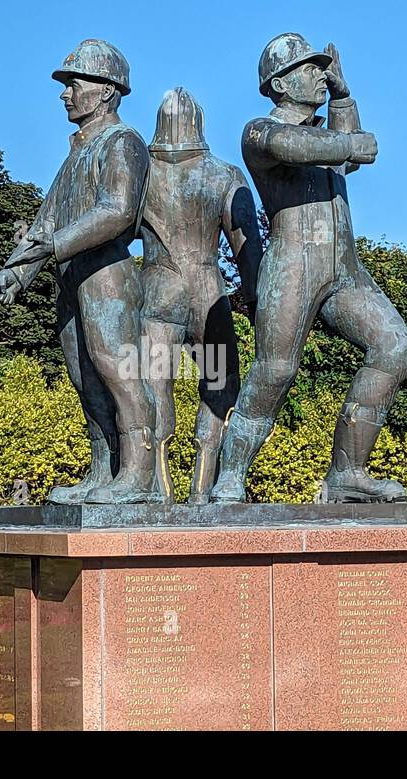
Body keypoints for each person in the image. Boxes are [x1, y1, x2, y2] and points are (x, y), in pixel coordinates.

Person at [210, 33, 407, 503]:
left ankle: (347, 473)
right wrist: (350, 142)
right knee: (276, 371)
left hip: (344, 271)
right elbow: (299, 146)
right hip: (293, 267)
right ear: (280, 83)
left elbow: (344, 158)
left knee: (395, 349)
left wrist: (343, 95)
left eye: (322, 67)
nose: (319, 75)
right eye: (309, 69)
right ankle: (230, 476)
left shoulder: (326, 136)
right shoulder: (261, 132)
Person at [0, 39, 162, 503]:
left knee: (118, 372)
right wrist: (13, 273)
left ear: (106, 91)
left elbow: (119, 211)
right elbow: (44, 222)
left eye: (74, 83)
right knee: (85, 378)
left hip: (108, 277)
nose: (65, 93)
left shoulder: (123, 143)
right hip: (72, 280)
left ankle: (139, 476)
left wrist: (55, 245)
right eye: (66, 85)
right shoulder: (75, 155)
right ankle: (103, 472)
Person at [140, 87, 263, 502]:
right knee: (220, 381)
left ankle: (159, 488)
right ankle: (203, 485)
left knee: (154, 384)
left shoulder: (140, 173)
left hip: (158, 292)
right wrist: (258, 301)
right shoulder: (224, 174)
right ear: (200, 123)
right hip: (209, 293)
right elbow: (248, 249)